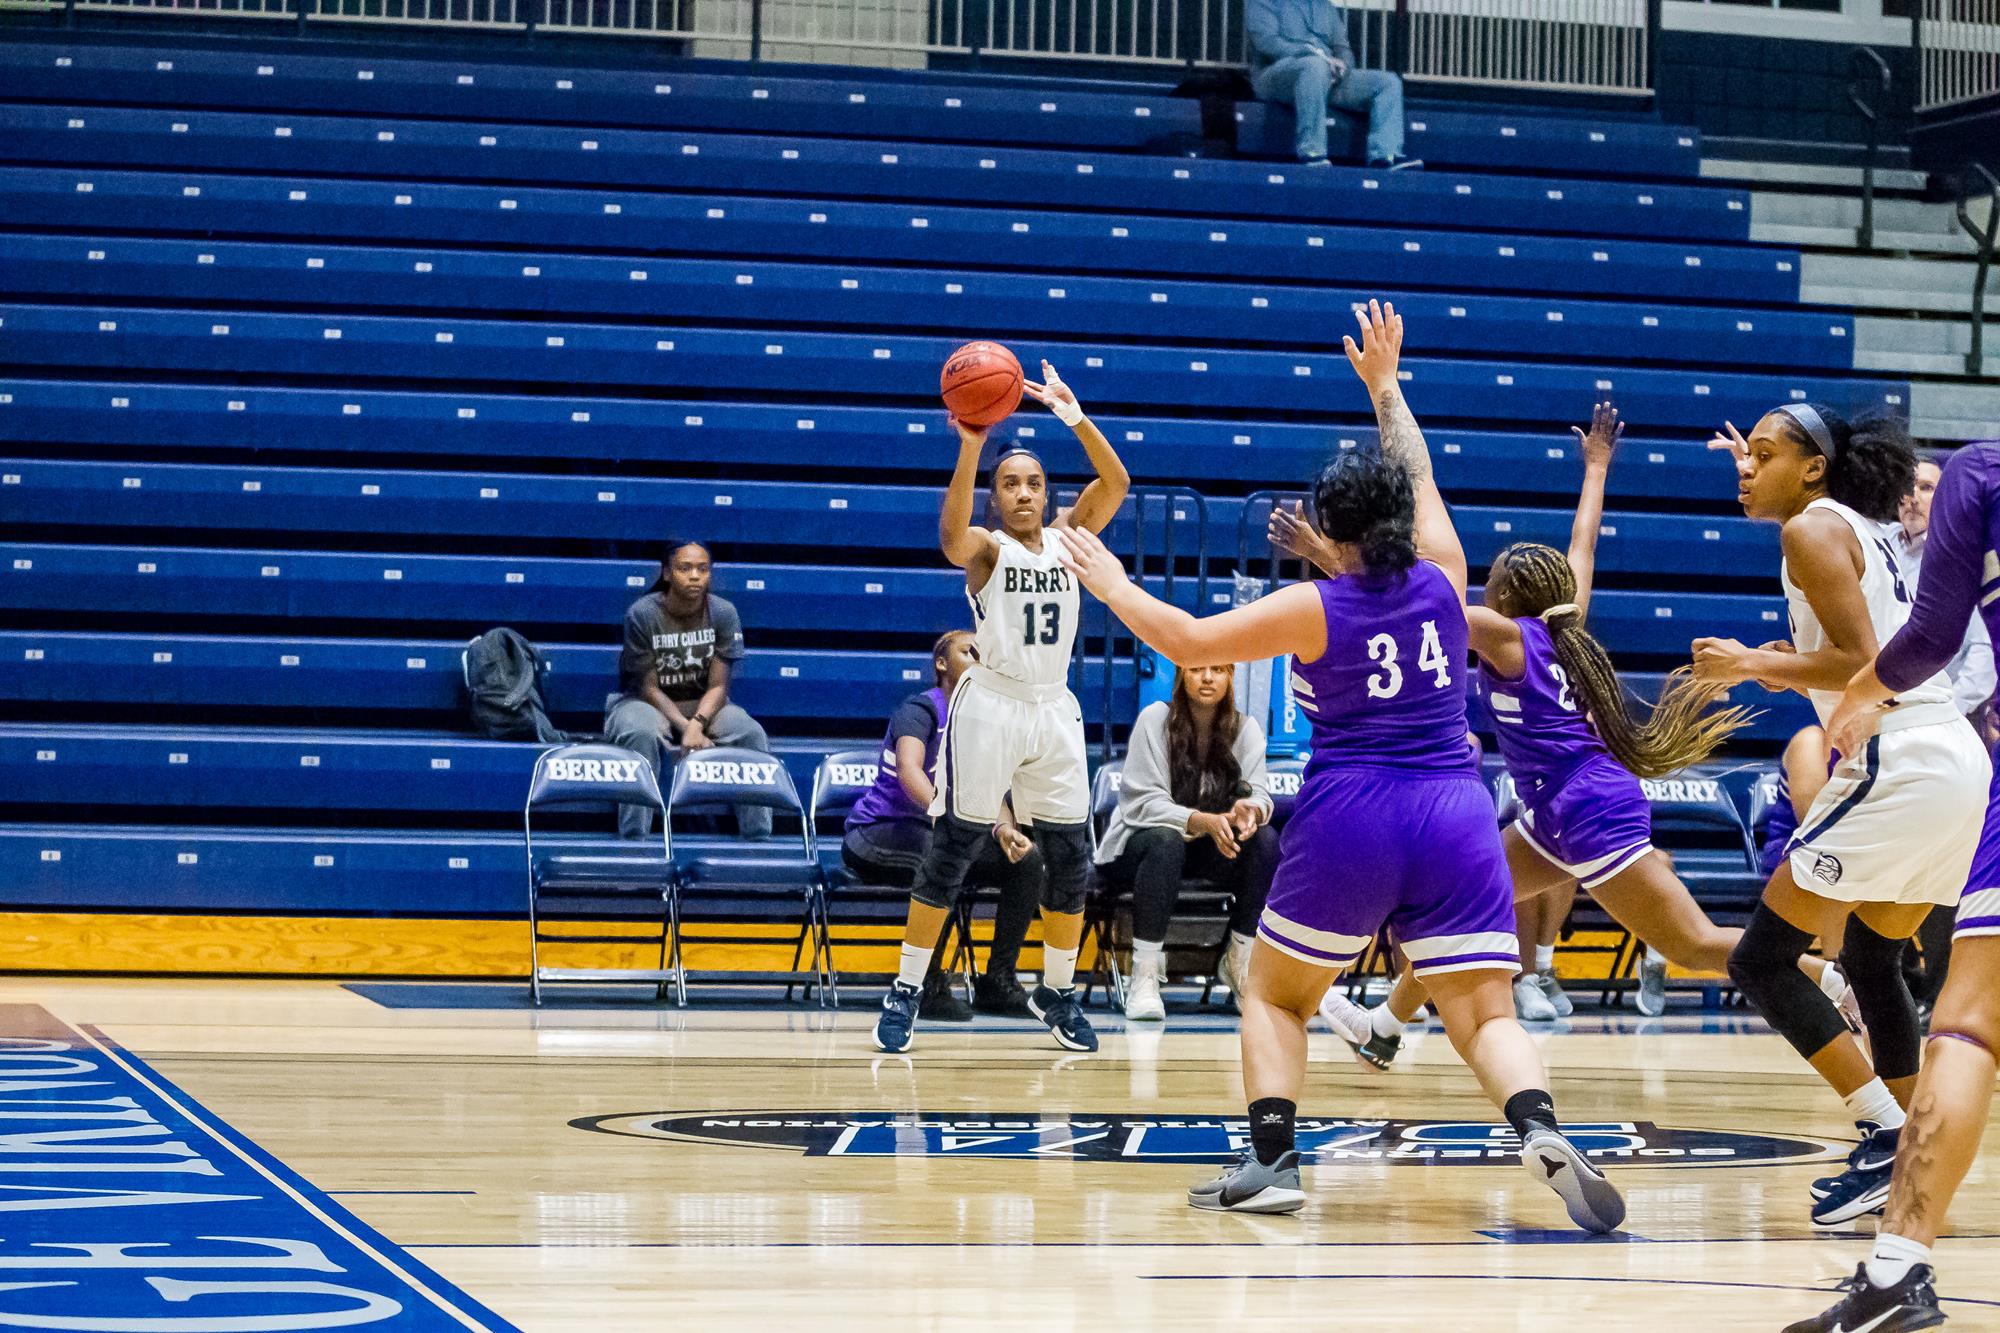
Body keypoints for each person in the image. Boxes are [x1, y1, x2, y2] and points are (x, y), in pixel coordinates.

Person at [1057, 301, 1623, 1233]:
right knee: (1484, 1016)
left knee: (1277, 994)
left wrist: (1112, 581)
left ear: (1329, 527)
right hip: (1457, 809)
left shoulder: (1316, 606)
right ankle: (1538, 1125)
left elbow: (1192, 635)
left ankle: (1274, 1157)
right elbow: (1422, 468)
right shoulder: (1445, 572)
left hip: (1356, 809)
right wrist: (1387, 388)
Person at [1289, 406, 1847, 1069]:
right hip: (1560, 809)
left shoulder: (1506, 637)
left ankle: (1828, 977)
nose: (1482, 585)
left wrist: (1331, 557)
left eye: (1491, 581)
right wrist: (1597, 469)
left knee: (1697, 945)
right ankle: (1384, 1024)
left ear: (1504, 598)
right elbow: (1581, 545)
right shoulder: (1563, 622)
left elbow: (1419, 605)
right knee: (1458, 905)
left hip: (1585, 809)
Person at [1694, 408, 1989, 1233]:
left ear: (1814, 467)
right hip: (1950, 757)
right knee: (1871, 952)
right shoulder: (1861, 527)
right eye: (1743, 454)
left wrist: (1751, 663)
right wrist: (1786, 669)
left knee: (1761, 960)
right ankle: (1908, 1143)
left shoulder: (1812, 532)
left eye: (1763, 454)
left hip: (1900, 754)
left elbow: (1863, 663)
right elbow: (1859, 654)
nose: (1744, 468)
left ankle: (1882, 1125)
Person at [1790, 440, 2000, 1332]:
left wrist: (1857, 693)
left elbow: (1930, 637)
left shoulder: (1980, 471)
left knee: (1967, 1022)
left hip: (1935, 755)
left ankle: (1897, 1269)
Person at [871, 361, 1130, 1056]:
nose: (1023, 491)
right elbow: (951, 538)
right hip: (991, 704)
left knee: (1070, 854)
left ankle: (1059, 991)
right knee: (953, 846)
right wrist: (970, 443)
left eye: (1034, 482)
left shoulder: (1072, 537)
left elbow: (1118, 483)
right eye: (1010, 483)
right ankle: (904, 990)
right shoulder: (988, 550)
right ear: (995, 496)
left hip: (1053, 708)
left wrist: (1074, 415)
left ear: (1048, 494)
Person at [844, 630, 1041, 1022]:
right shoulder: (922, 710)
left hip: (941, 833)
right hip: (880, 830)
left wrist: (1004, 830)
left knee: (1027, 862)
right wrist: (944, 811)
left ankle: (998, 980)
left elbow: (995, 788)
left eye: (985, 655)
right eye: (969, 652)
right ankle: (927, 984)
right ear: (941, 664)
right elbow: (909, 769)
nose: (979, 660)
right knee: (941, 858)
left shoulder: (987, 723)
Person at [1095, 662, 1277, 1023]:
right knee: (1166, 841)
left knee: (1266, 842)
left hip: (1208, 847)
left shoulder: (1246, 729)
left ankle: (1239, 961)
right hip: (1138, 845)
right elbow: (1141, 804)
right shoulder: (1154, 719)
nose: (1208, 677)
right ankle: (1144, 976)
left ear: (1230, 677)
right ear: (1181, 677)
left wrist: (1250, 810)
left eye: (1219, 670)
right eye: (1196, 669)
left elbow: (1261, 795)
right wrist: (1199, 820)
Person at [605, 540, 774, 840]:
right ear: (667, 573)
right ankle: (633, 840)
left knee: (751, 733)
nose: (695, 576)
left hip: (704, 702)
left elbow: (719, 686)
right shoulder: (642, 614)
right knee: (639, 733)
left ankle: (759, 837)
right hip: (644, 702)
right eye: (685, 568)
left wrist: (698, 723)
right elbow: (648, 687)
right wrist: (686, 728)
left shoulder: (723, 612)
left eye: (702, 569)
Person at [1245, 0, 1422, 171]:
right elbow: (1267, 43)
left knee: (1388, 82)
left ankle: (1385, 155)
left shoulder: (1324, 6)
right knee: (1313, 66)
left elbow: (1342, 48)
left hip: (1325, 76)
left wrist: (1342, 68)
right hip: (1275, 75)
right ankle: (1312, 151)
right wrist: (1317, 58)